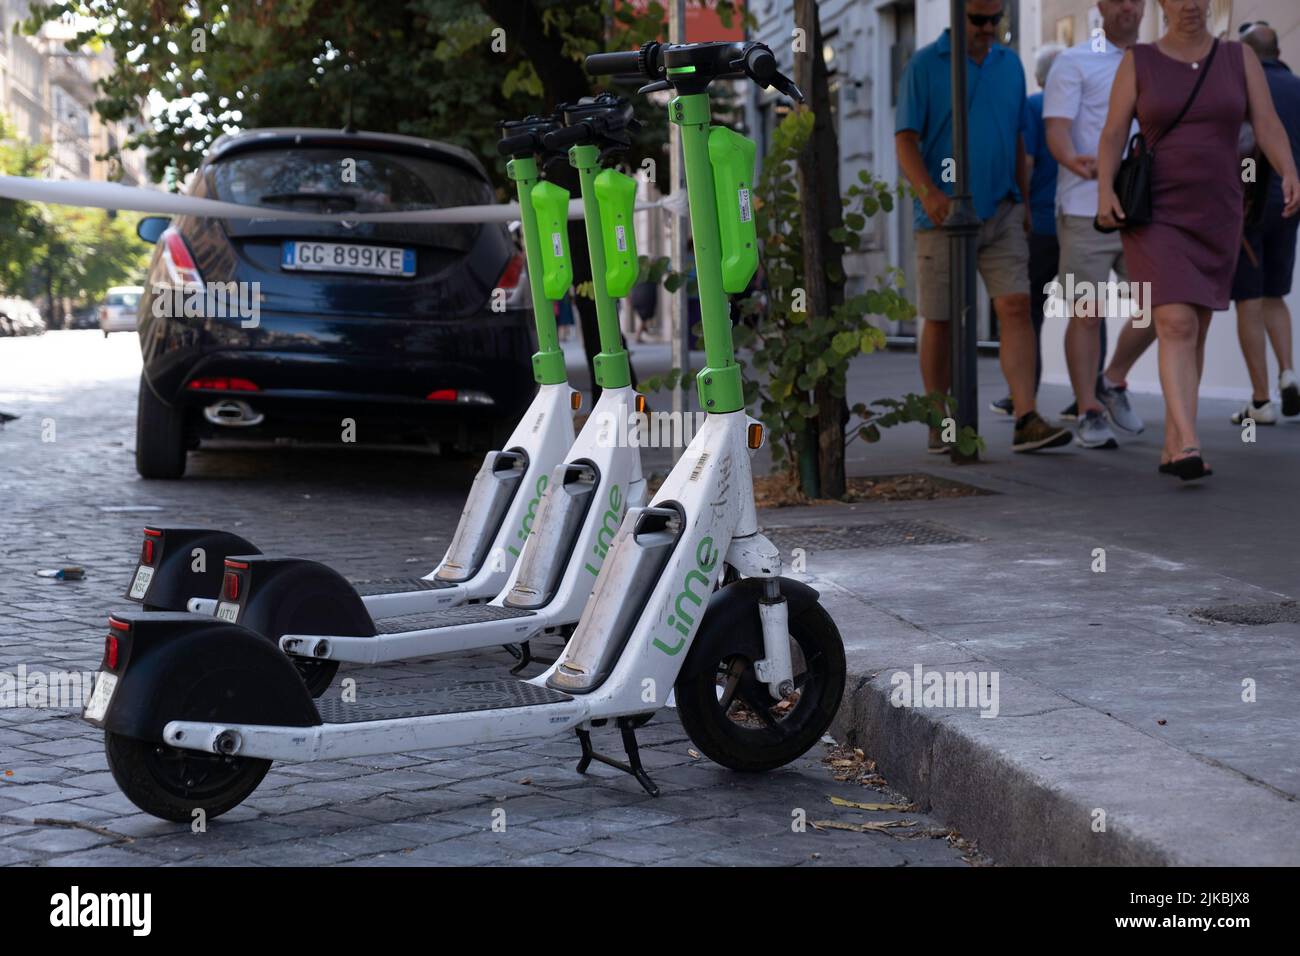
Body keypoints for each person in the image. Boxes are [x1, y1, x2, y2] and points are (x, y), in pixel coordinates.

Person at [1097, 0, 1300, 480]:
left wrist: (1289, 168)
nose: (1190, 3)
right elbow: (1111, 135)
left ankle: (1173, 444)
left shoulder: (1238, 58)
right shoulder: (1139, 61)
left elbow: (1267, 123)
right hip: (1156, 211)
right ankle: (1189, 442)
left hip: (1219, 212)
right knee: (1175, 323)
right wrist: (1105, 188)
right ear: (1162, 4)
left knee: (1198, 326)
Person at [896, 0, 1070, 453]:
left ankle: (1026, 415)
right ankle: (940, 417)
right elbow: (905, 139)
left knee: (1015, 306)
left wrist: (1025, 198)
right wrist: (930, 194)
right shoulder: (924, 65)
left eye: (997, 20)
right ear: (958, 18)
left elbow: (1015, 135)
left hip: (1003, 210)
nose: (989, 28)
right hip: (943, 217)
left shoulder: (1010, 65)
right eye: (979, 20)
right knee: (942, 318)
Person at [1045, 0, 1155, 450]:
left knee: (1160, 306)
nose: (1128, 5)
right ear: (1100, 5)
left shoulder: (1157, 61)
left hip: (1145, 208)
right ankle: (1089, 408)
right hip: (1085, 207)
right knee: (1086, 313)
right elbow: (1057, 128)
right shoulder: (1074, 60)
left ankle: (1113, 379)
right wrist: (1073, 160)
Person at [1229, 23, 1300, 425]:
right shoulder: (1297, 87)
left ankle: (1260, 402)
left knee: (1249, 300)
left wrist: (1243, 194)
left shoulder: (1246, 89)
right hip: (1290, 202)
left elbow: (1246, 151)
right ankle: (1288, 372)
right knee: (1276, 295)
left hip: (1250, 206)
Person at [991, 42, 1065, 418]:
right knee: (1088, 309)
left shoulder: (1035, 107)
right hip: (1079, 221)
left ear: (1038, 77)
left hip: (1040, 223)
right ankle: (1091, 392)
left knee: (1029, 309)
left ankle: (1023, 395)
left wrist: (1019, 207)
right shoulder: (1081, 107)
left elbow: (1029, 160)